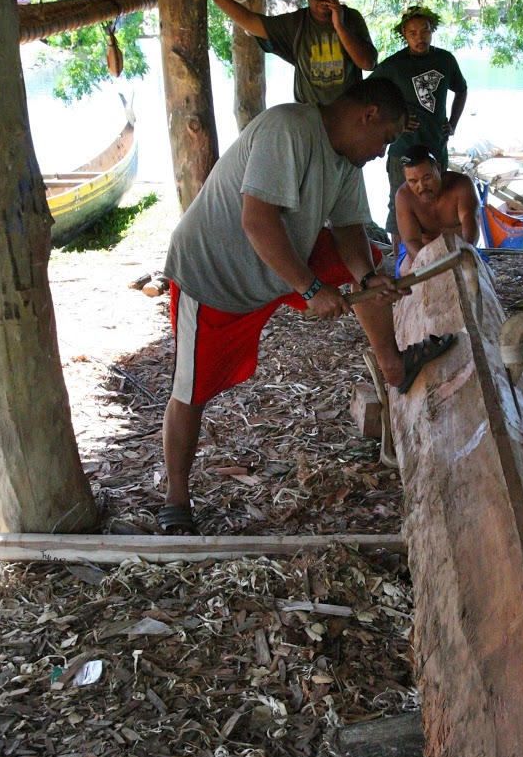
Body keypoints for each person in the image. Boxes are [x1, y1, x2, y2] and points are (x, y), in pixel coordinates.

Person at [158, 80, 455, 534]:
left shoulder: (348, 159)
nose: (382, 152)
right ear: (368, 115)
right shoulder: (288, 129)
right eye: (386, 138)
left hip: (282, 258)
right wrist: (312, 287)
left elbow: (349, 229)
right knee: (191, 391)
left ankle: (394, 367)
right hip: (217, 275)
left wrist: (366, 280)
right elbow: (257, 220)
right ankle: (176, 500)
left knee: (372, 263)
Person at [206, 0, 377, 106]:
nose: (323, 3)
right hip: (308, 116)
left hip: (347, 119)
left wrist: (339, 26)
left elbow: (367, 63)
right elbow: (251, 22)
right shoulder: (296, 23)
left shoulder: (351, 19)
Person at [373, 3, 468, 231]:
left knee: (437, 204)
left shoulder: (445, 60)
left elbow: (461, 89)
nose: (420, 38)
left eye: (425, 31)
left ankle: (439, 252)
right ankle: (400, 253)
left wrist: (453, 123)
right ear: (404, 34)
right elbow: (369, 94)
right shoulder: (394, 65)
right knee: (399, 206)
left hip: (436, 147)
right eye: (413, 33)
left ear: (432, 30)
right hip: (402, 150)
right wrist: (394, 122)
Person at [394, 146, 480, 273]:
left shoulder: (461, 185)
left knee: (476, 274)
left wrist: (466, 251)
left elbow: (470, 218)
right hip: (422, 250)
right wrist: (432, 266)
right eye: (413, 181)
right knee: (406, 272)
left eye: (427, 177)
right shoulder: (404, 196)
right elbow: (411, 240)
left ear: (438, 169)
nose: (421, 186)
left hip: (460, 248)